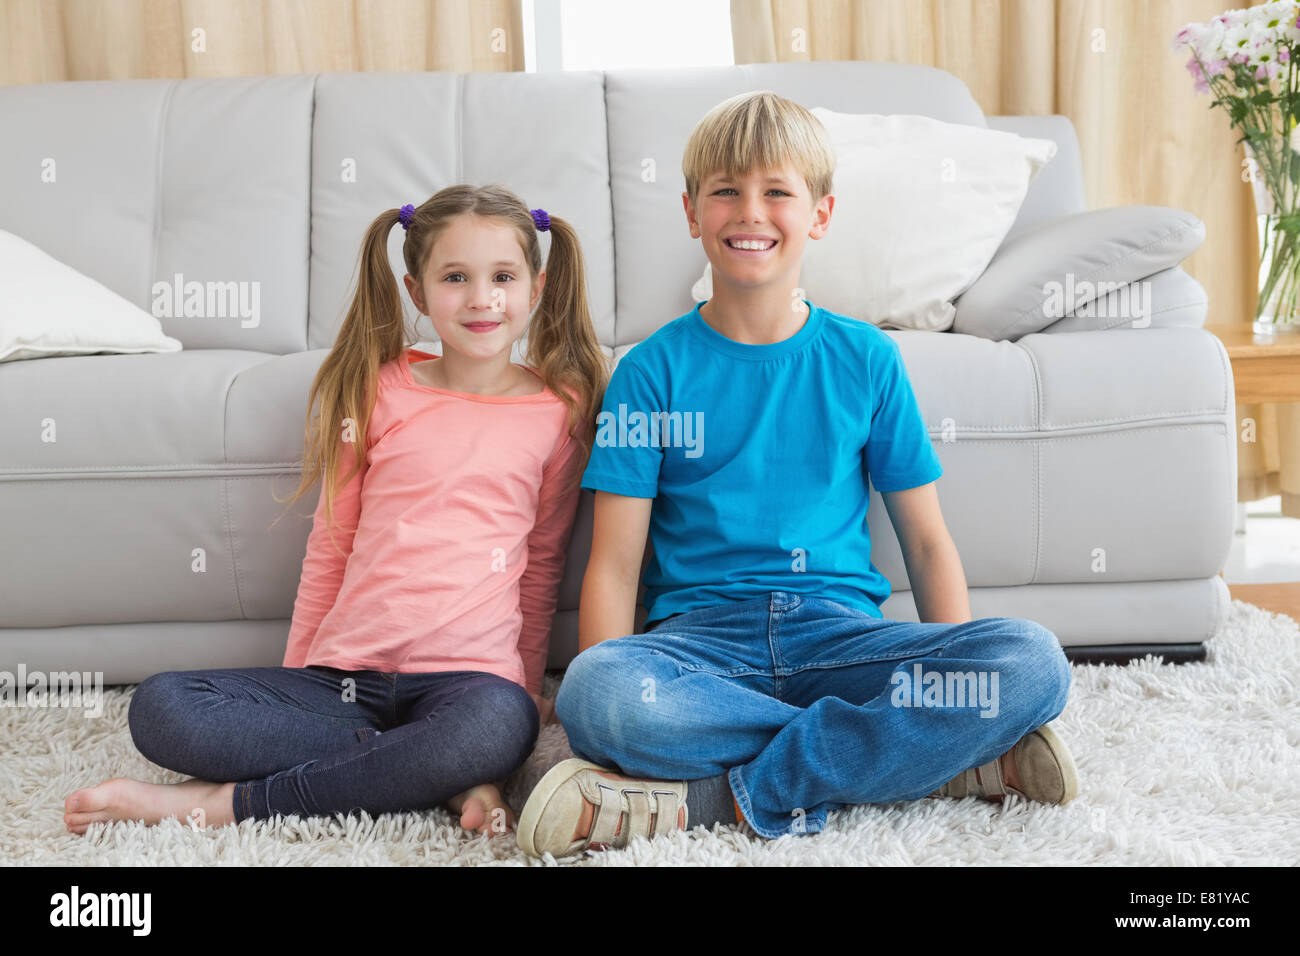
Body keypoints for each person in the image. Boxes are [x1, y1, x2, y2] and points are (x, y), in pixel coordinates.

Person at [516, 92, 1077, 858]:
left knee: (1030, 661)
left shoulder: (868, 360)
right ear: (691, 213)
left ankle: (716, 798)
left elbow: (927, 543)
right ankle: (919, 762)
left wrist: (947, 678)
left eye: (777, 191)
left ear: (819, 213)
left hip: (841, 645)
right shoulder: (648, 373)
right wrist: (594, 739)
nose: (751, 213)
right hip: (699, 651)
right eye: (726, 192)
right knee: (594, 692)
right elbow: (615, 566)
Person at [65, 185, 607, 837]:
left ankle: (223, 805)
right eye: (455, 277)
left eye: (502, 277)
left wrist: (521, 684)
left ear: (537, 286)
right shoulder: (375, 386)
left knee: (500, 727)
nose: (482, 298)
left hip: (467, 686)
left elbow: (540, 565)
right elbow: (331, 544)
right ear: (415, 290)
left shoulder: (558, 408)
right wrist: (301, 688)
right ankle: (432, 772)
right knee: (160, 707)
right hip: (344, 682)